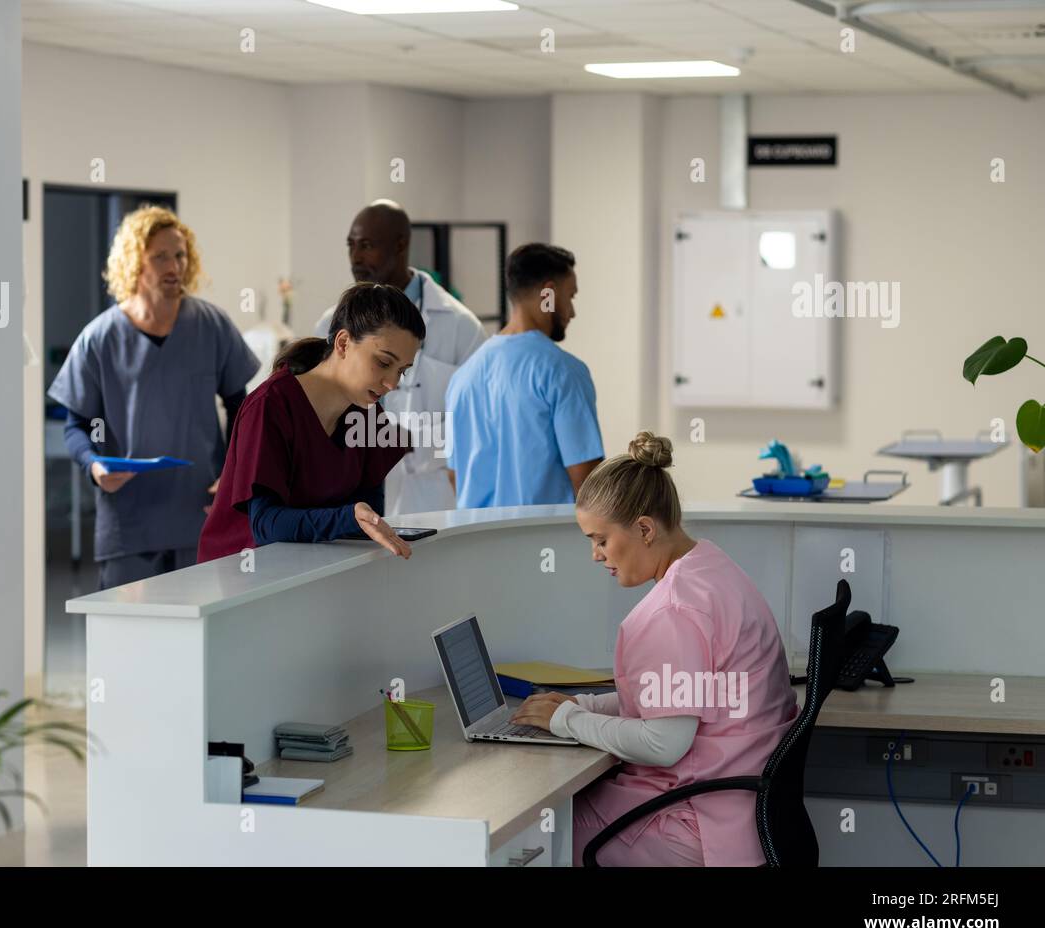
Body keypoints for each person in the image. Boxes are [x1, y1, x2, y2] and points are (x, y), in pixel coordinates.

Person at [510, 432, 798, 866]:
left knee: (529, 830)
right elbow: (680, 695)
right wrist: (583, 705)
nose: (595, 555)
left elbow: (663, 744)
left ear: (644, 528)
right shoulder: (711, 567)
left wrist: (568, 720)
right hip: (745, 811)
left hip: (695, 821)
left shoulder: (673, 611)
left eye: (600, 540)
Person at [48, 206, 259, 589]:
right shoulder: (100, 339)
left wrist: (233, 475)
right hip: (129, 529)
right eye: (160, 256)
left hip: (200, 516)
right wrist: (95, 465)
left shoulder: (210, 326)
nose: (173, 266)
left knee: (200, 643)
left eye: (179, 255)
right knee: (131, 643)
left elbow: (240, 406)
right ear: (134, 263)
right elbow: (77, 425)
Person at [198, 283, 425, 563]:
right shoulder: (271, 406)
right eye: (382, 362)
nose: (392, 383)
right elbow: (265, 524)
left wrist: (356, 520)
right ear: (343, 343)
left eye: (401, 371)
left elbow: (369, 518)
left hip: (311, 573)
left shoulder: (368, 414)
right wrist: (347, 518)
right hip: (241, 575)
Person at [314, 200, 485, 515]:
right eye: (351, 246)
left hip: (434, 497)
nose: (356, 257)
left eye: (366, 246)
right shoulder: (330, 325)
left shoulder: (461, 326)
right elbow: (319, 410)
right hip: (355, 497)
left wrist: (413, 441)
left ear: (401, 245)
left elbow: (477, 422)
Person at [444, 243, 603, 508]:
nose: (572, 312)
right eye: (570, 296)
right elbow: (587, 483)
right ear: (549, 294)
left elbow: (454, 475)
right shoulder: (563, 372)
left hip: (475, 543)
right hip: (544, 542)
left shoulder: (462, 378)